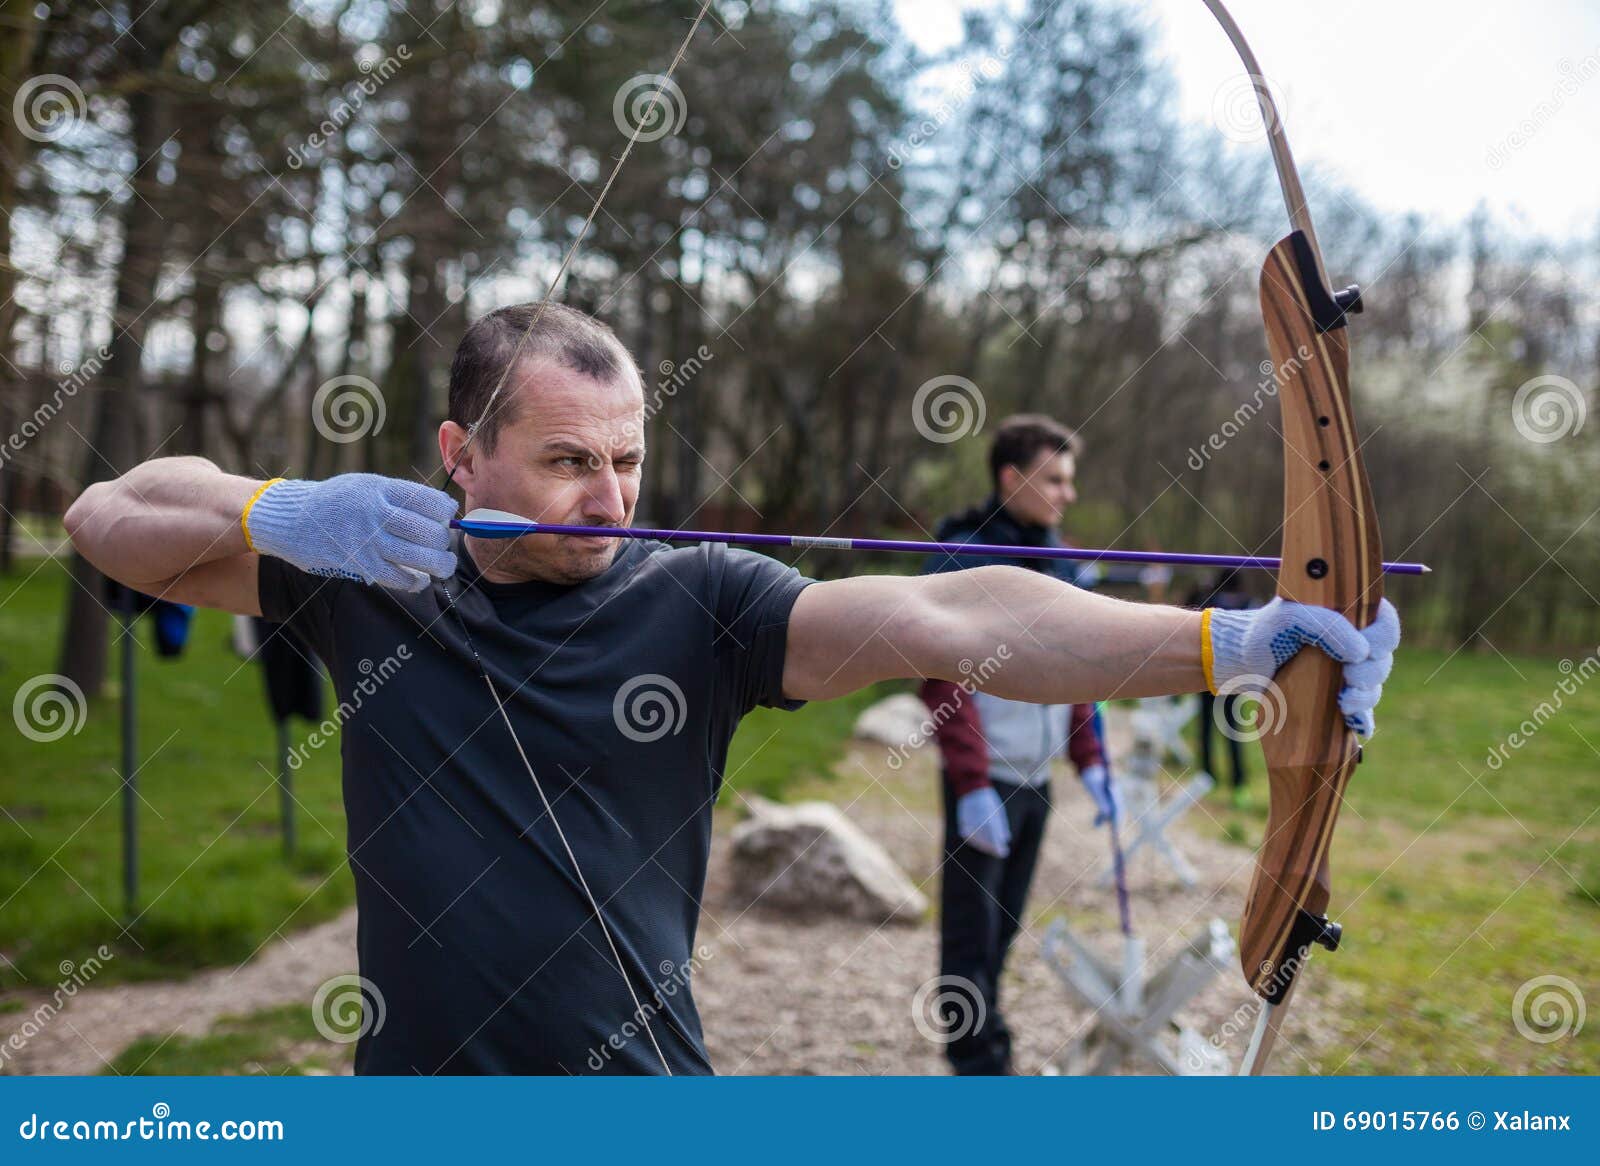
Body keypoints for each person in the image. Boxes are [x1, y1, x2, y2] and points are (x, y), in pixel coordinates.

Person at [64, 303, 1399, 1075]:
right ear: (462, 457)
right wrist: (281, 507)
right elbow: (107, 512)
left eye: (630, 457)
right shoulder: (371, 569)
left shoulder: (698, 599)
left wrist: (1232, 649)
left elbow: (951, 611)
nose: (612, 497)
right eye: (568, 459)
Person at [918, 415, 1117, 1075]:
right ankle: (980, 1066)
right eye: (1054, 478)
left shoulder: (1059, 558)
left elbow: (1080, 667)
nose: (1068, 493)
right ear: (1012, 477)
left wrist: (1090, 761)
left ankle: (987, 1051)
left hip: (1037, 783)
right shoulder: (964, 556)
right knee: (971, 942)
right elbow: (941, 680)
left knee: (1001, 938)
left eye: (1071, 479)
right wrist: (972, 784)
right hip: (987, 784)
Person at [1187, 569, 1255, 803]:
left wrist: (1200, 591)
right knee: (1232, 731)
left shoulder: (1209, 601)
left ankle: (1207, 777)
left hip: (1208, 676)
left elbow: (1188, 612)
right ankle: (1237, 784)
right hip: (1234, 677)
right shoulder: (1249, 604)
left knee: (1207, 729)